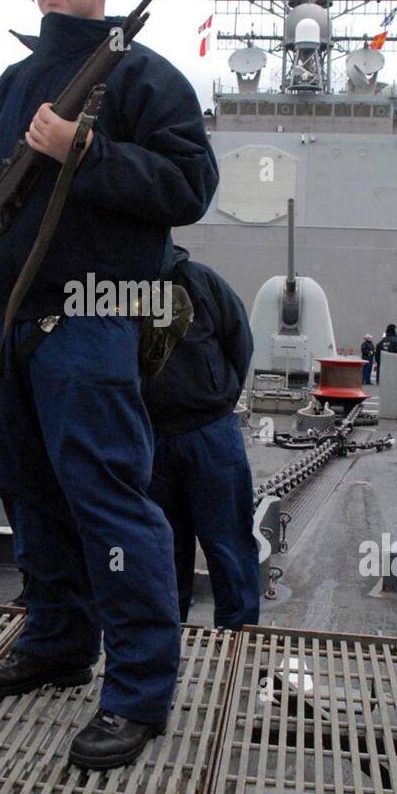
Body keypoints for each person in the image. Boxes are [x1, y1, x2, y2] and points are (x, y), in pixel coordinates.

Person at [0, 0, 218, 769]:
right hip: (12, 324)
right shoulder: (11, 86)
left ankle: (137, 692)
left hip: (95, 318)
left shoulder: (147, 80)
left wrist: (85, 149)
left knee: (110, 505)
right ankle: (56, 645)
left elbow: (189, 187)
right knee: (27, 492)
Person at [143, 244, 259, 630]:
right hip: (154, 437)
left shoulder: (201, 282)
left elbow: (238, 338)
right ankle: (165, 632)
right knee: (164, 546)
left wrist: (218, 397)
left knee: (227, 541)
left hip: (209, 434)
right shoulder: (122, 290)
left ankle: (238, 633)